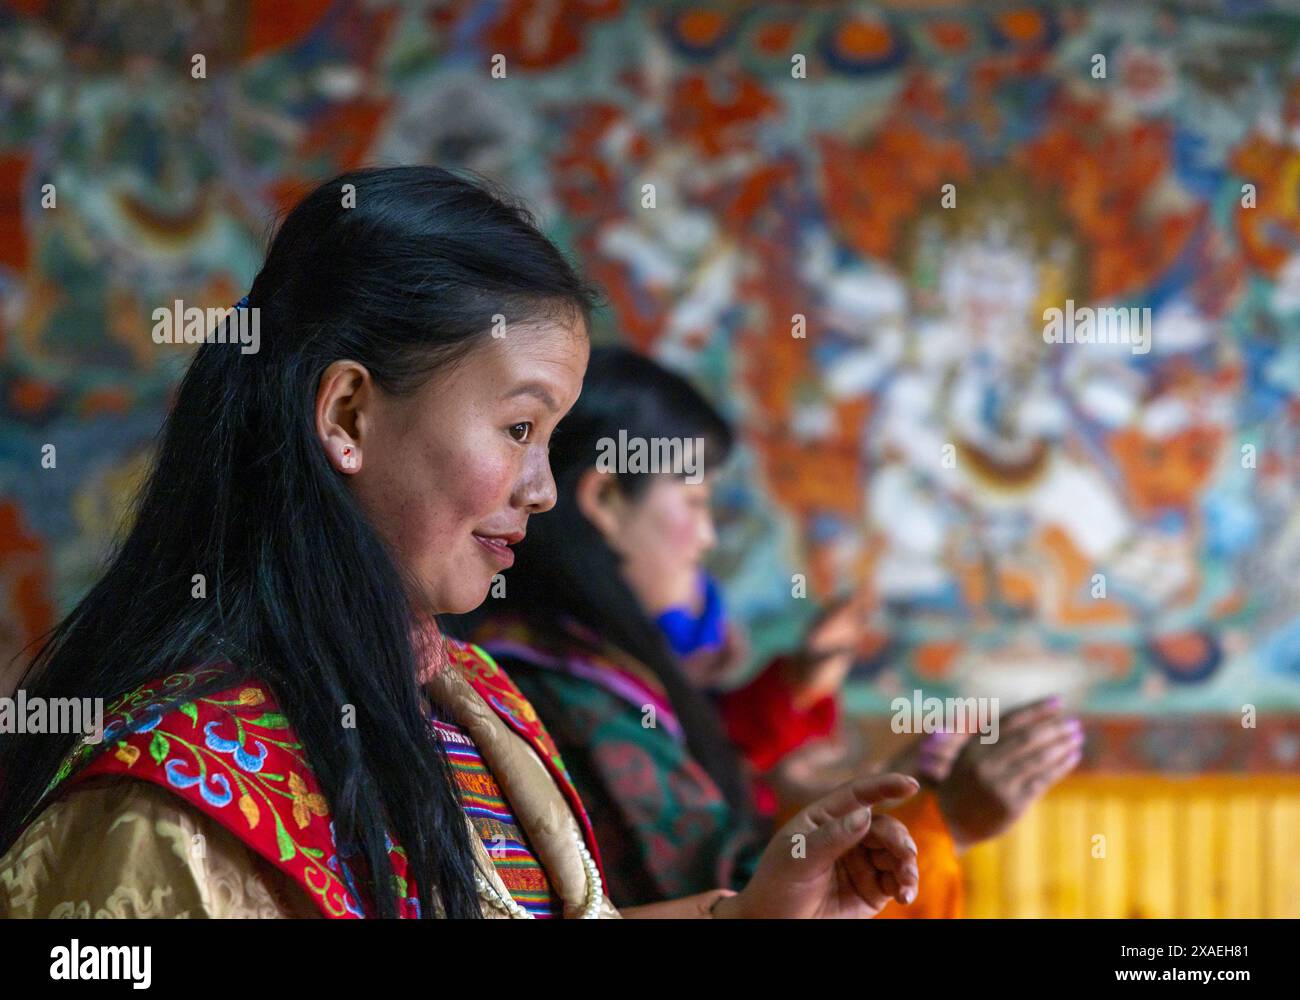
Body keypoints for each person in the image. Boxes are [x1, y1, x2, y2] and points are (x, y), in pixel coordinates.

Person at [0, 167, 920, 920]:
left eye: (552, 440)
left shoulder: (474, 700)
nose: (544, 489)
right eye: (519, 428)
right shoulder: (172, 804)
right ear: (349, 414)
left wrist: (751, 915)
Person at [469, 346, 1084, 913]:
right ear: (605, 500)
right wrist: (945, 816)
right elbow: (744, 896)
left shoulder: (572, 665)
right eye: (695, 502)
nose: (706, 538)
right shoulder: (566, 694)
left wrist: (881, 792)